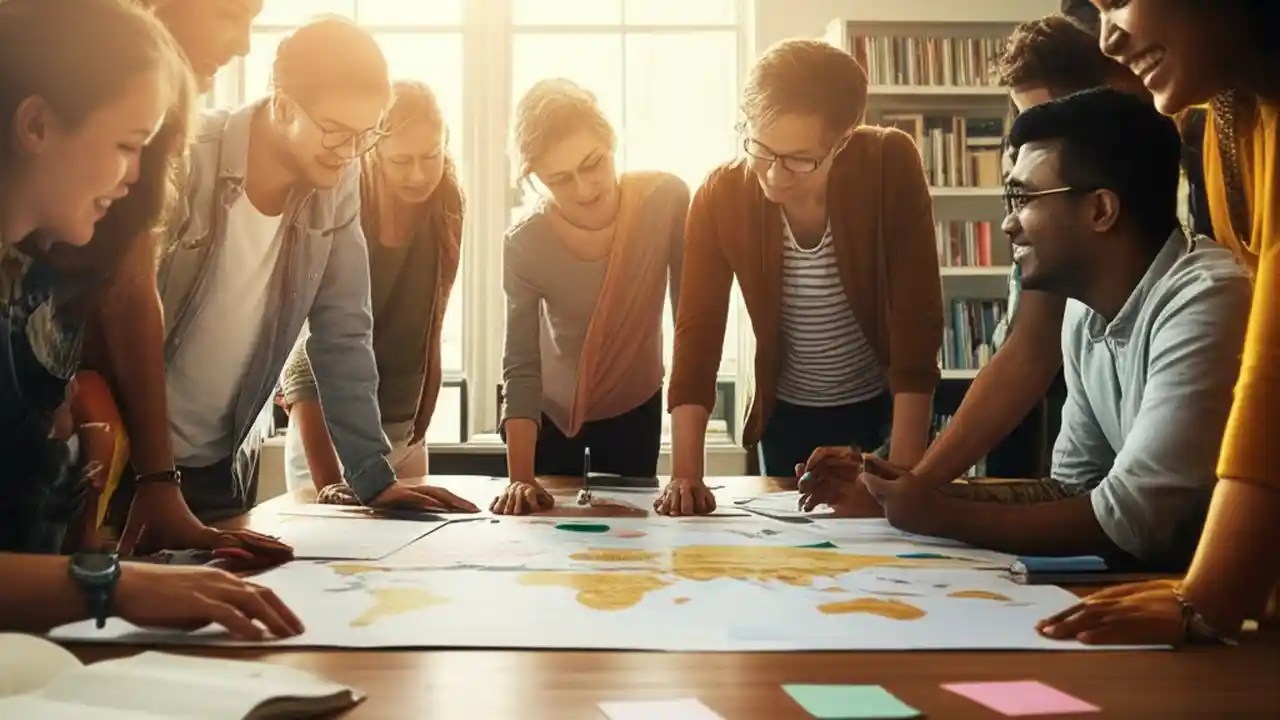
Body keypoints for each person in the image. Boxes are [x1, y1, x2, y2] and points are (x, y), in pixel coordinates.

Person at [0, 0, 300, 641]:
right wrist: (114, 584)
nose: (135, 178)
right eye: (126, 146)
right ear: (36, 124)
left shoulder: (30, 291)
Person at [858, 89, 1254, 568]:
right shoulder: (1082, 310)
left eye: (1022, 198)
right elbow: (1069, 489)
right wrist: (896, 491)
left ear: (1101, 210)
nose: (1007, 223)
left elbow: (1134, 516)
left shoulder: (1206, 299)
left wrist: (936, 513)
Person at [150, 17, 477, 522]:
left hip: (222, 465)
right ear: (283, 105)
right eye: (336, 132)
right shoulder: (190, 155)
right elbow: (119, 305)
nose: (349, 154)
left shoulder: (336, 184)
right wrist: (149, 472)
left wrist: (373, 476)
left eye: (363, 137)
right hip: (131, 461)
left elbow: (344, 329)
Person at [1039, 0, 1280, 646]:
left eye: (1116, 0)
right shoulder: (1229, 119)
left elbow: (1272, 379)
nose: (1109, 38)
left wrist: (1208, 597)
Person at [659, 39, 943, 516]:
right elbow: (698, 331)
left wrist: (905, 473)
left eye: (799, 159)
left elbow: (918, 316)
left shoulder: (888, 162)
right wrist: (686, 475)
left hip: (883, 408)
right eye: (761, 148)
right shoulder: (720, 194)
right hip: (785, 414)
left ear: (843, 140)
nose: (774, 174)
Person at [73, 0, 276, 559]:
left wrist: (157, 481)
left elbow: (131, 288)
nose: (242, 46)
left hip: (104, 443)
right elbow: (125, 292)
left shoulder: (167, 116)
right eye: (228, 15)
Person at [495, 79, 688, 515]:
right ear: (535, 180)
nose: (583, 188)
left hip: (635, 405)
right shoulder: (524, 244)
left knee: (631, 545)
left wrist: (688, 470)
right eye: (560, 179)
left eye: (593, 163)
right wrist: (519, 480)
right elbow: (521, 365)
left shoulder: (665, 202)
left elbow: (691, 328)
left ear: (610, 140)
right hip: (547, 418)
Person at [280, 80, 464, 492]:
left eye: (431, 155)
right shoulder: (344, 202)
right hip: (327, 433)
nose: (419, 174)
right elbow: (312, 347)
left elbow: (427, 325)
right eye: (401, 160)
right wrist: (329, 482)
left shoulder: (447, 201)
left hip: (406, 428)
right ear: (373, 153)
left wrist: (415, 432)